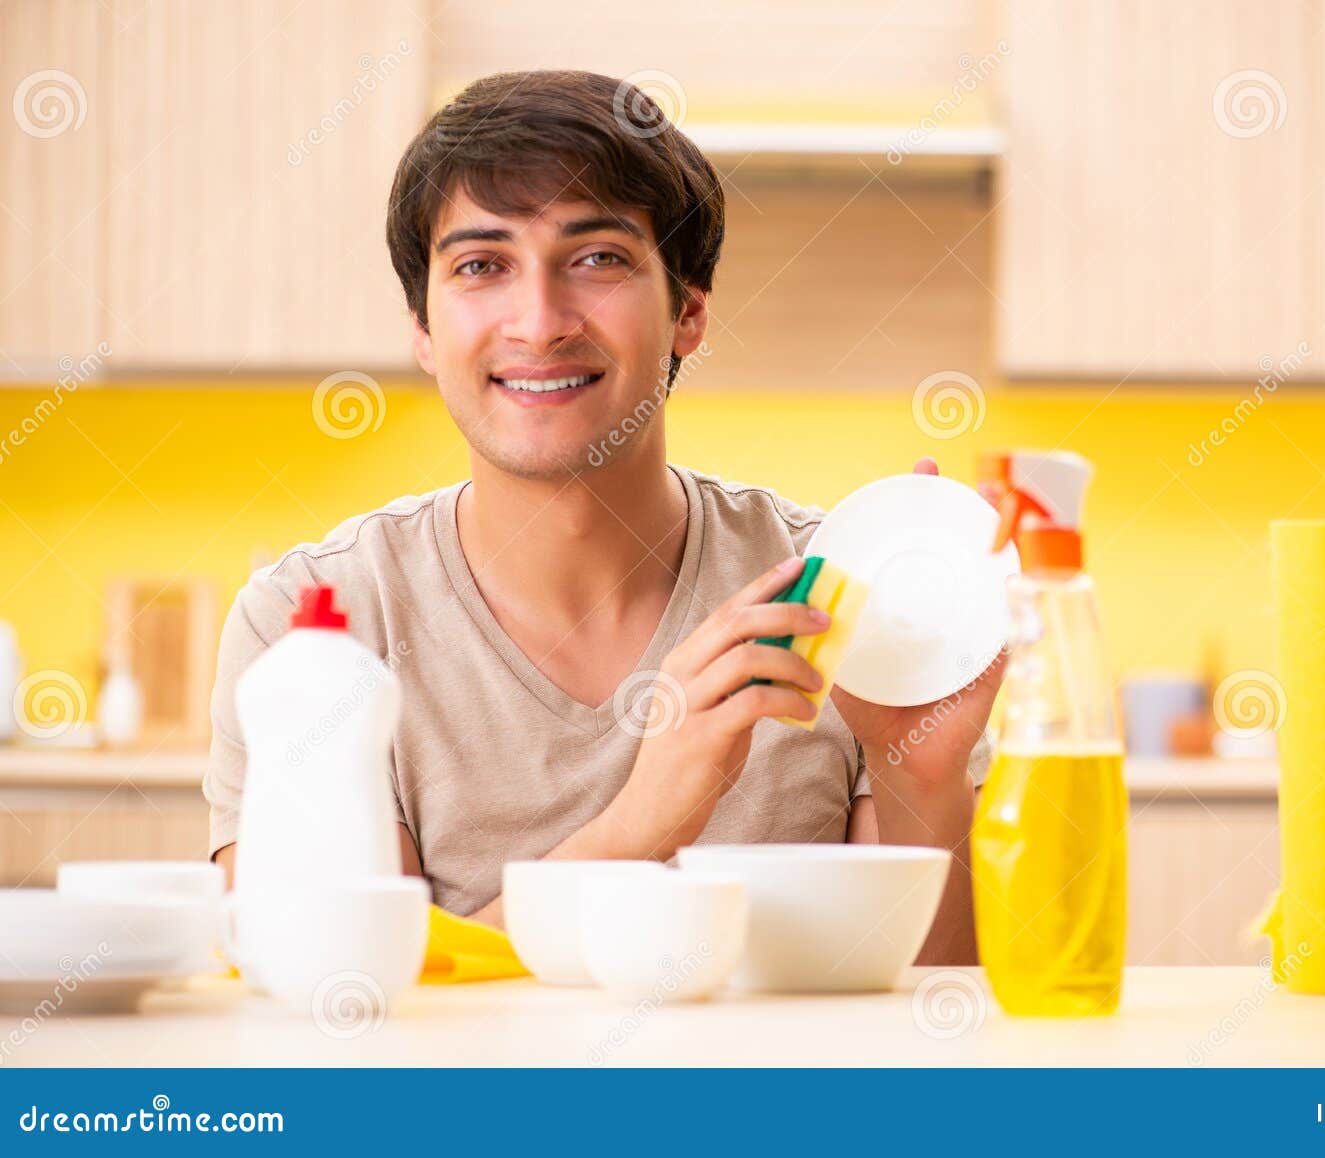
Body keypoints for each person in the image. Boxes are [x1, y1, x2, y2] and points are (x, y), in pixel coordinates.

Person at [204, 70, 1002, 964]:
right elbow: (333, 1003)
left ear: (687, 312)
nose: (539, 322)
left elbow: (930, 1021)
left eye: (597, 259)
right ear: (423, 328)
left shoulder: (837, 599)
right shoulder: (315, 628)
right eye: (481, 265)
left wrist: (917, 771)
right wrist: (643, 823)